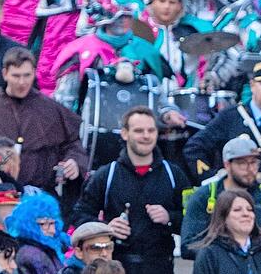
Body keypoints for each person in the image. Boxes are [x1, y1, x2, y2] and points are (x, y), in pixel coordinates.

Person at [184, 61, 261, 220]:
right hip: (235, 204)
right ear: (252, 86)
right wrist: (214, 179)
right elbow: (194, 148)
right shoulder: (231, 117)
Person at [71, 106, 189, 274]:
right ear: (125, 133)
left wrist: (169, 217)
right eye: (139, 131)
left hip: (160, 265)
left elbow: (193, 220)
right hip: (117, 266)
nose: (146, 136)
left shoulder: (174, 174)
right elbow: (79, 215)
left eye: (151, 130)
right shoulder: (106, 175)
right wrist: (105, 228)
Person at [0, 47, 87, 195]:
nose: (22, 82)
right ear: (5, 74)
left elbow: (72, 143)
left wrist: (74, 161)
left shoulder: (50, 108)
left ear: (34, 72)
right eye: (16, 76)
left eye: (27, 75)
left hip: (40, 193)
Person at [181, 138, 261, 260]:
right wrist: (227, 255)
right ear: (227, 165)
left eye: (254, 162)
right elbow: (188, 245)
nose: (250, 169)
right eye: (242, 163)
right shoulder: (204, 196)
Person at [6, 192, 65, 274]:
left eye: (53, 223)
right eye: (43, 224)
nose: (53, 230)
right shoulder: (32, 254)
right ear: (29, 226)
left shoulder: (45, 249)